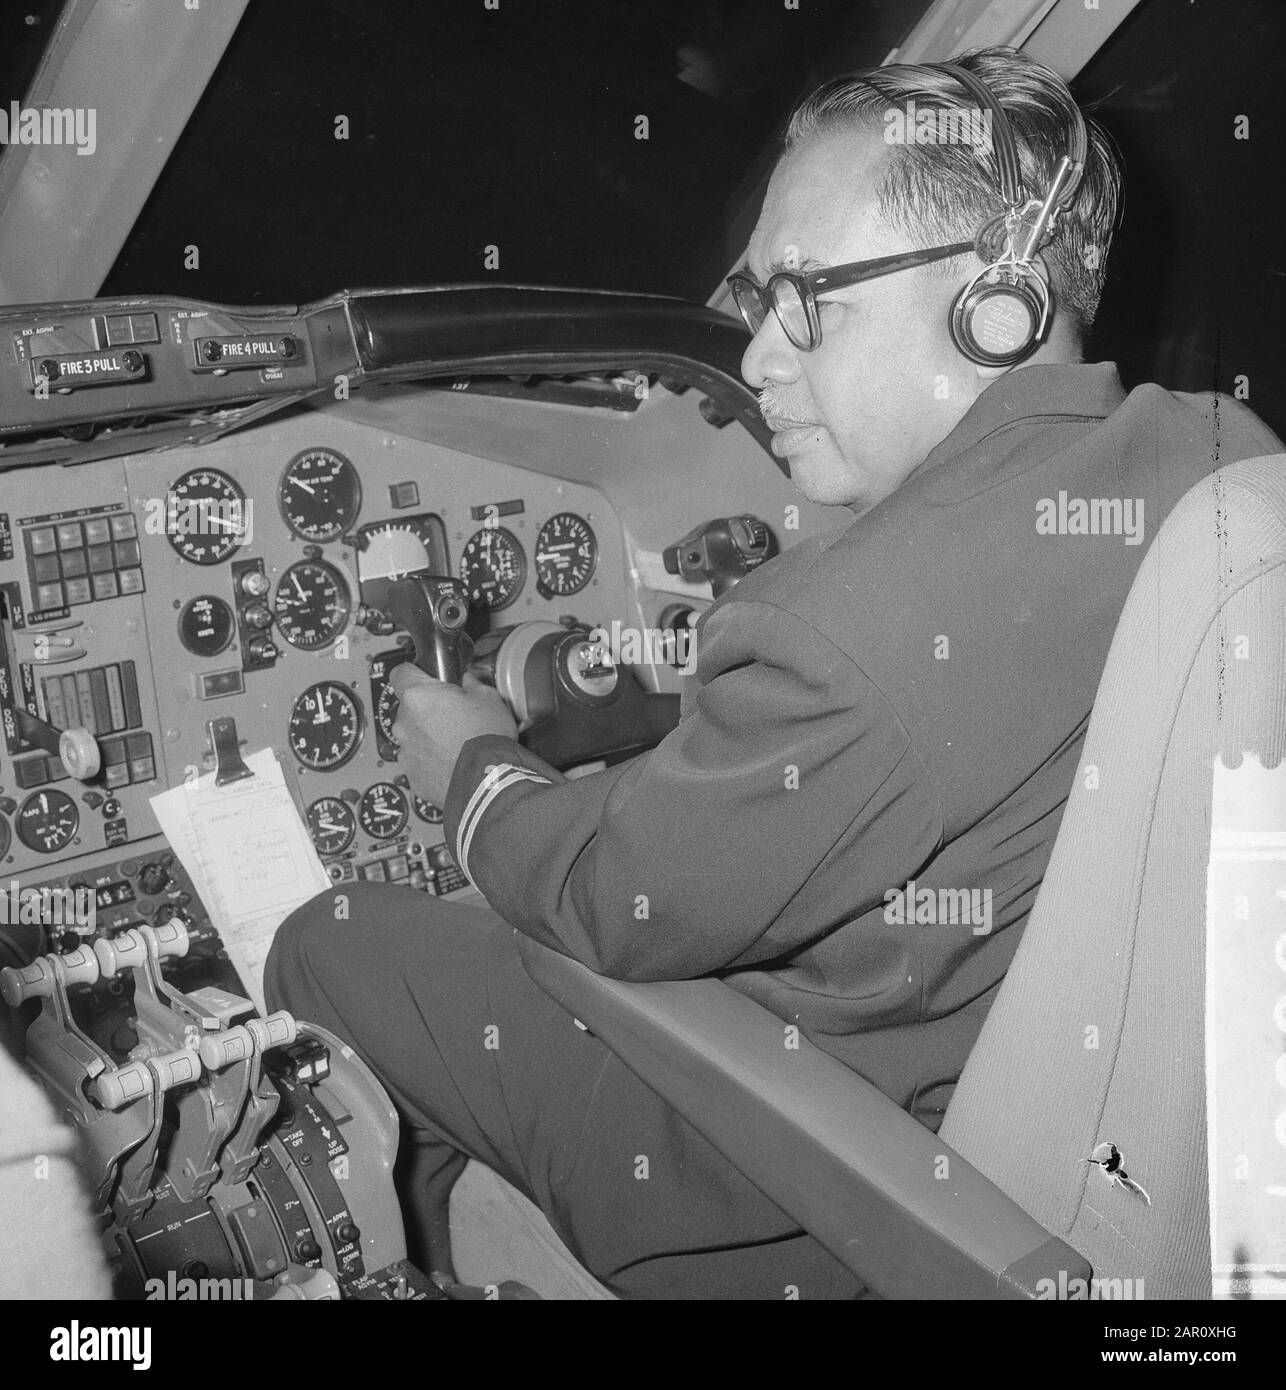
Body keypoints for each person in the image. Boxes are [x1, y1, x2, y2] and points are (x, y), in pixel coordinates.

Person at [265, 46, 1281, 1299]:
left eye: (808, 297)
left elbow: (608, 899)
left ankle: (417, 1250)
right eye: (757, 302)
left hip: (783, 1164)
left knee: (340, 935)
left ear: (996, 300)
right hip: (1029, 1062)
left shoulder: (848, 634)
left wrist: (471, 768)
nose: (755, 361)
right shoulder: (1220, 456)